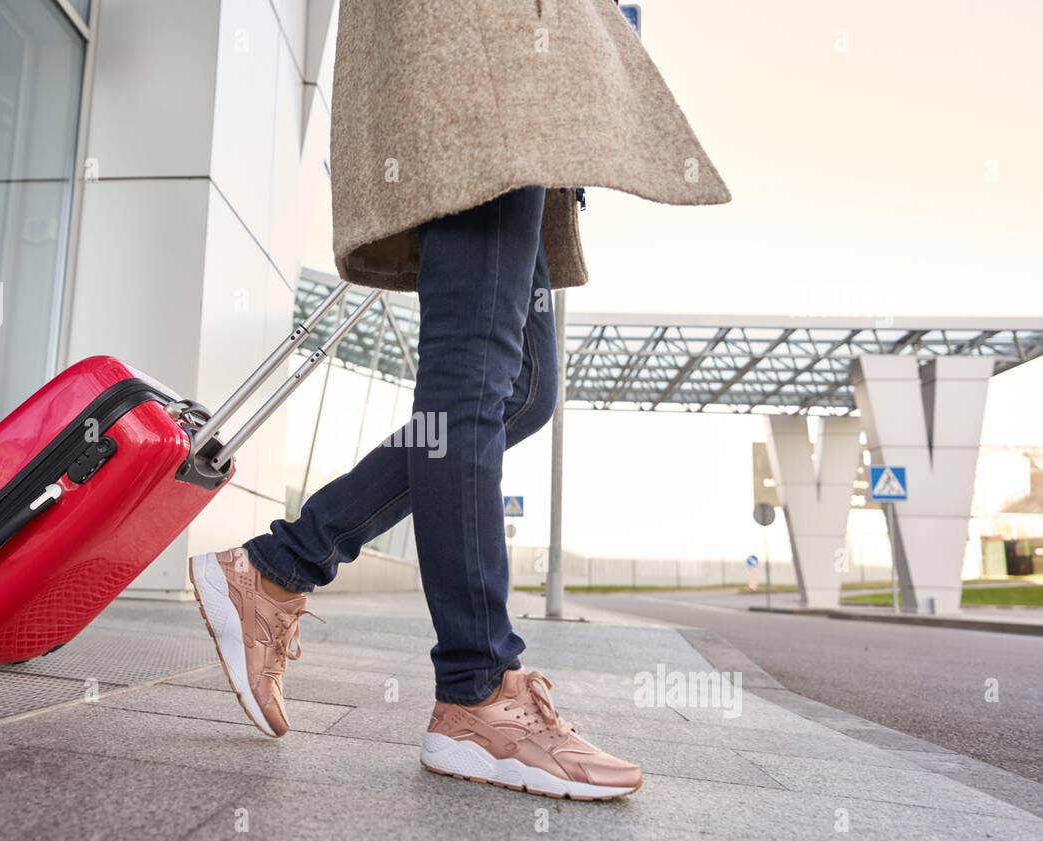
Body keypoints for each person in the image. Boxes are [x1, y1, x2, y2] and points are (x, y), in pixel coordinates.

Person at [189, 0, 729, 800]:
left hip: (520, 80)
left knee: (521, 393)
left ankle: (277, 567)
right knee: (472, 384)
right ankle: (476, 695)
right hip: (486, 59)